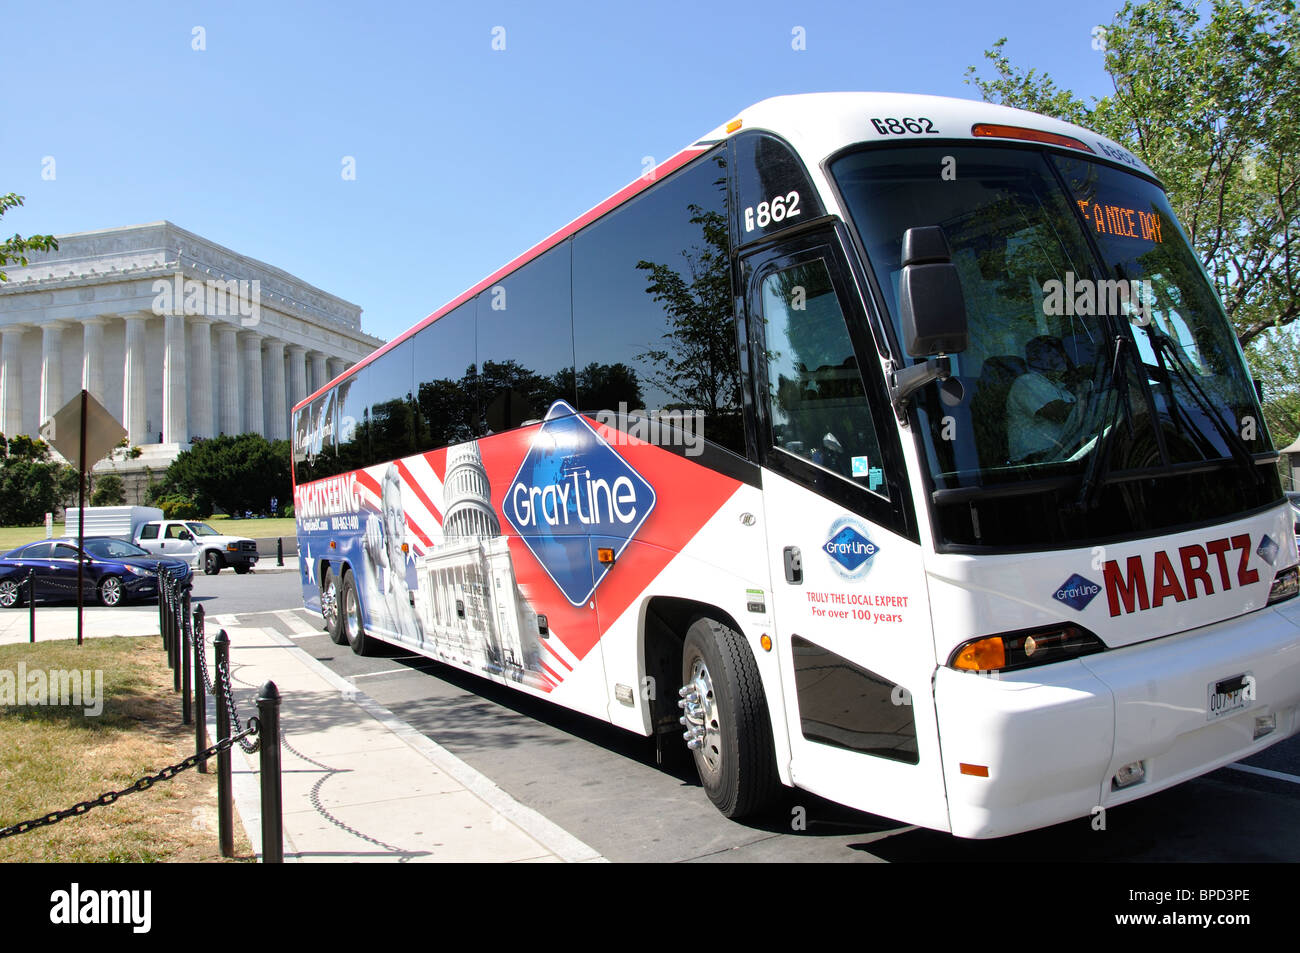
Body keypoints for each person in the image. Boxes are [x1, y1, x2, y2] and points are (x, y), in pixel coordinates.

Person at [1006, 335, 1090, 463]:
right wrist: (1095, 400)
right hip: (1038, 464)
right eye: (1050, 351)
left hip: (1063, 457)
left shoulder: (1061, 388)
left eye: (1060, 351)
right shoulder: (1027, 382)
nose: (1060, 356)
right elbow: (1062, 414)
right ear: (1035, 359)